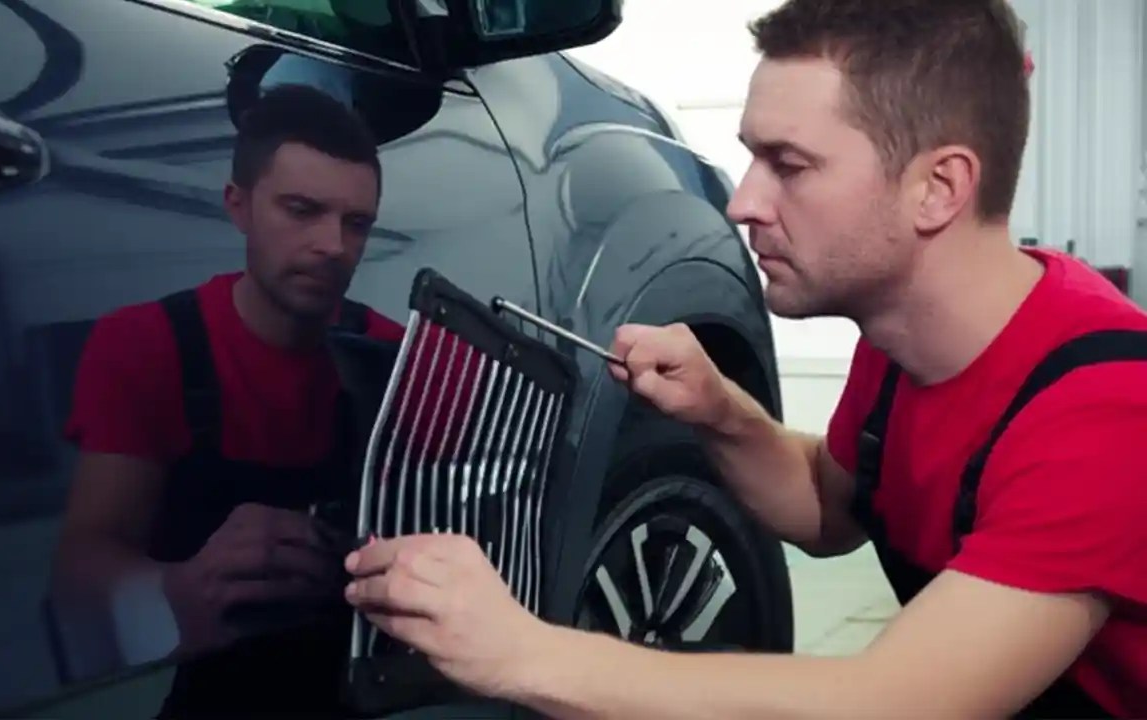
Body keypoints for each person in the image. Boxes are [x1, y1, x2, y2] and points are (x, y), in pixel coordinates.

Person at [340, 1, 1147, 718]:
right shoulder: (907, 343)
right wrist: (719, 413)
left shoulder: (1105, 412)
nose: (743, 203)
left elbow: (894, 701)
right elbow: (830, 508)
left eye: (789, 166)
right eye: (752, 159)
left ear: (938, 188)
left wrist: (520, 651)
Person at [49, 83, 410, 718]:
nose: (332, 245)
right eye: (302, 210)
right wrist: (172, 592)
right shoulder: (146, 343)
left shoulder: (396, 355)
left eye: (357, 223)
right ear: (238, 206)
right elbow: (80, 571)